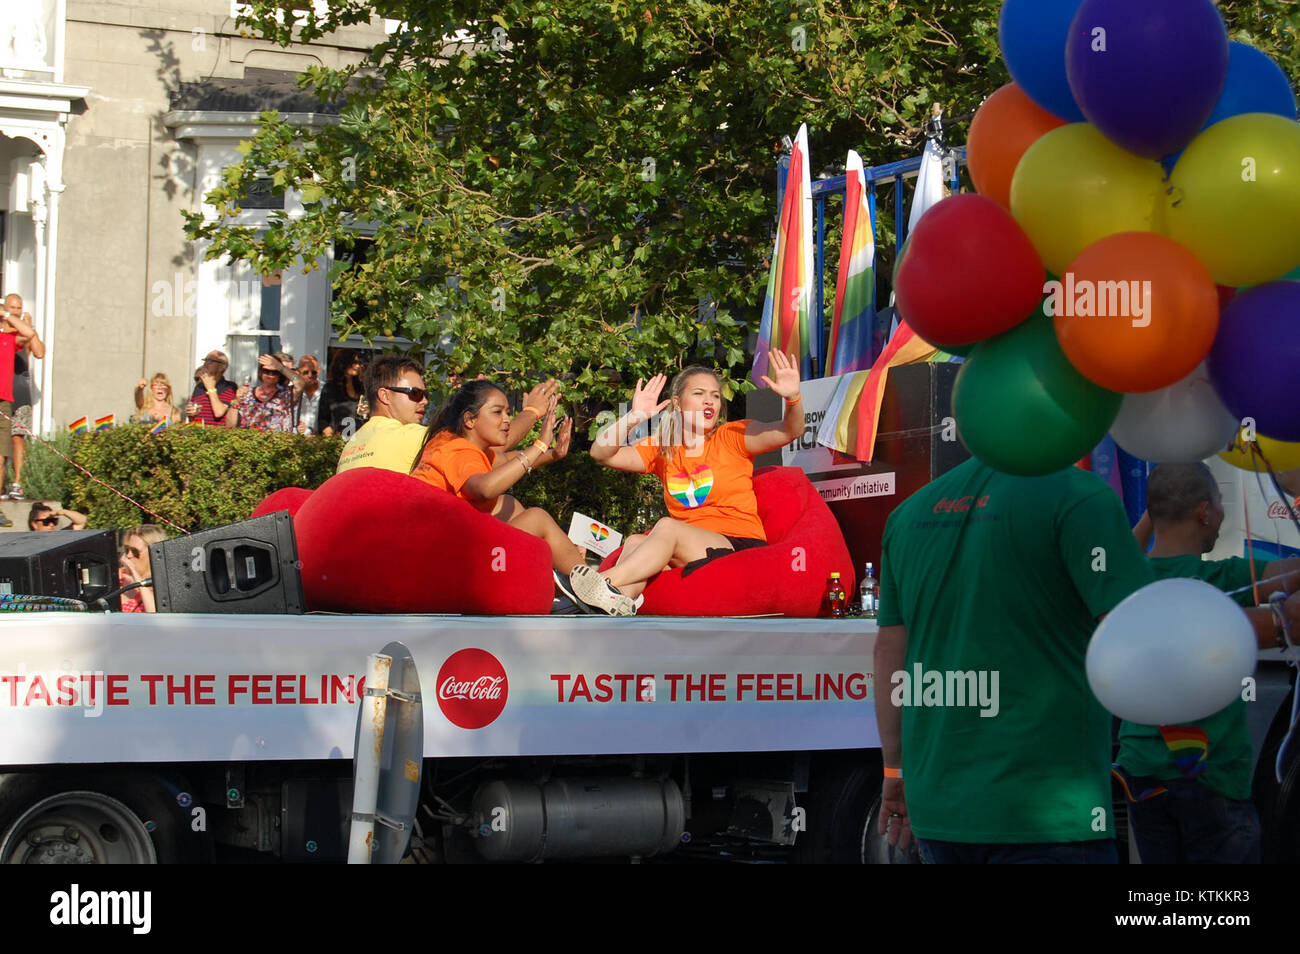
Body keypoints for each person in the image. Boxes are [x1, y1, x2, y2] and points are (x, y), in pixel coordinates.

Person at [872, 457, 1158, 864]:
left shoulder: (908, 514)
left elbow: (889, 654)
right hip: (1048, 818)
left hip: (940, 812)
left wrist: (893, 772)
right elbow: (1136, 637)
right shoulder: (1080, 496)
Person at [1115, 462, 1300, 864]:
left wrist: (1152, 510)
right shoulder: (1217, 581)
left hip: (1142, 770)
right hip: (1211, 773)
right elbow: (1285, 576)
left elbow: (1120, 557)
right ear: (1205, 512)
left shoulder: (1128, 580)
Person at [585, 354, 804, 609]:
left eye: (715, 395)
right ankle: (614, 602)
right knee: (635, 541)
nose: (709, 400)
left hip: (738, 545)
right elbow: (599, 453)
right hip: (688, 547)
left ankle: (601, 583)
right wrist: (634, 416)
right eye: (699, 393)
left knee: (667, 527)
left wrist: (792, 398)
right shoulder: (663, 448)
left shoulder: (732, 436)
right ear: (677, 403)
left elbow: (791, 430)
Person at [409, 379, 625, 614]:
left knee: (507, 503)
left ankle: (566, 583)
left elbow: (505, 460)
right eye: (497, 412)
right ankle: (593, 591)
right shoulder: (458, 451)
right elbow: (484, 488)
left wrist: (552, 453)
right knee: (537, 519)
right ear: (470, 419)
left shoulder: (455, 443)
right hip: (447, 564)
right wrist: (539, 444)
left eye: (508, 412)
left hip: (446, 553)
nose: (507, 420)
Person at [3, 293, 43, 501]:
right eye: (12, 307)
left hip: (20, 390)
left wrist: (31, 329)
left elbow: (39, 352)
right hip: (3, 391)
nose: (15, 311)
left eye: (18, 308)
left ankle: (17, 482)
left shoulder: (24, 331)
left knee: (18, 437)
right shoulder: (5, 330)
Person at [230, 353, 295, 432]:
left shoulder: (286, 394)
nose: (270, 375)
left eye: (274, 372)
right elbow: (230, 426)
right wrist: (236, 401)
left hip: (278, 443)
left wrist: (280, 367)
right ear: (261, 372)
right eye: (266, 371)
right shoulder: (247, 393)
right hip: (250, 442)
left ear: (280, 375)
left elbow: (300, 383)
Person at [317, 350, 369, 437]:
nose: (357, 366)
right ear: (344, 363)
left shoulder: (362, 387)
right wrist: (332, 441)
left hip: (361, 441)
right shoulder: (330, 388)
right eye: (354, 362)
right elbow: (323, 420)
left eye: (359, 363)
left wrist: (368, 411)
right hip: (339, 442)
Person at [118, 524, 168, 613]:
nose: (129, 555)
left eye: (134, 551)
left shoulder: (162, 584)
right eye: (127, 550)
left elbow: (155, 614)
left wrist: (136, 576)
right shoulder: (120, 576)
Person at [185, 350, 237, 426]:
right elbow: (192, 419)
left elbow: (219, 412)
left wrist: (210, 387)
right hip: (199, 434)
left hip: (216, 435)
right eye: (205, 360)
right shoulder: (199, 387)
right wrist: (191, 414)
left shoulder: (229, 387)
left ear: (222, 367)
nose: (205, 364)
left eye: (210, 361)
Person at [294, 354, 323, 435]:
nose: (310, 375)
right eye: (306, 372)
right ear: (298, 372)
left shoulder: (326, 390)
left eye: (313, 372)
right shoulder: (292, 392)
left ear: (319, 371)